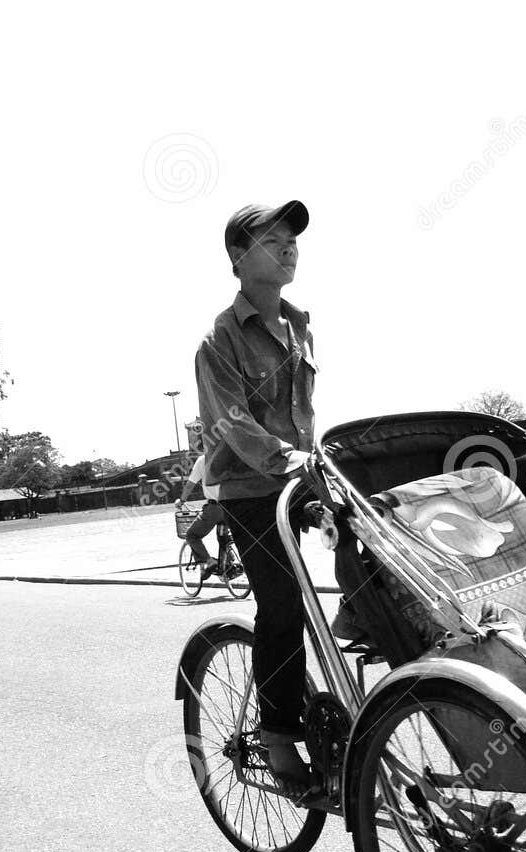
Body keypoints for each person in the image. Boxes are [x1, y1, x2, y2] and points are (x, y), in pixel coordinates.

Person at [194, 200, 317, 792]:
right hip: (249, 487)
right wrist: (288, 460)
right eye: (274, 239)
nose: (289, 246)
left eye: (292, 237)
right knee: (284, 604)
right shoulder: (218, 340)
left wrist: (317, 461)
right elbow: (233, 424)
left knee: (379, 574)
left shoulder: (301, 325)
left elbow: (302, 414)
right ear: (240, 259)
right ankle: (276, 736)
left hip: (299, 478)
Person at [177, 452, 228, 582]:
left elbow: (190, 484)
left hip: (214, 508)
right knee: (223, 538)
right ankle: (229, 564)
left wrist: (182, 500)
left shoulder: (203, 460)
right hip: (230, 505)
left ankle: (210, 562)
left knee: (191, 536)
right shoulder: (228, 455)